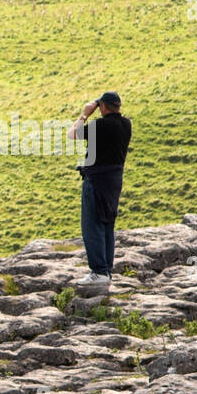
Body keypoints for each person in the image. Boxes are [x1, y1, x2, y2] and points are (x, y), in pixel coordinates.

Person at [67, 91, 131, 288]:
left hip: (96, 180)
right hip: (114, 180)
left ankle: (99, 271)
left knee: (92, 225)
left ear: (102, 107)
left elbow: (72, 135)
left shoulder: (99, 125)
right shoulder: (126, 124)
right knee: (107, 224)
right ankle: (106, 270)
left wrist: (85, 114)